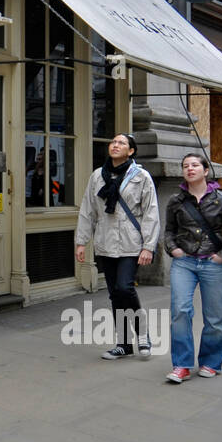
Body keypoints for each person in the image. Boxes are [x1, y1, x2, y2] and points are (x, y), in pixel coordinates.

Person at [75, 134, 160, 360]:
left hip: (131, 243)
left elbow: (151, 213)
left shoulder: (141, 177)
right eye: (113, 142)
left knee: (125, 288)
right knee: (115, 294)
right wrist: (81, 241)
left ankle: (143, 334)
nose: (115, 145)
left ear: (131, 151)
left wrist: (148, 246)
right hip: (105, 242)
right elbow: (88, 209)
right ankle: (123, 344)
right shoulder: (98, 176)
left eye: (121, 143)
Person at [162, 153, 222, 384]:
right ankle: (181, 365)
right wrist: (173, 249)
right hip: (184, 262)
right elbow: (169, 231)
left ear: (206, 171)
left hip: (212, 263)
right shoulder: (176, 201)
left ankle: (211, 362)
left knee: (215, 317)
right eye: (185, 165)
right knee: (180, 311)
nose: (190, 169)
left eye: (195, 165)